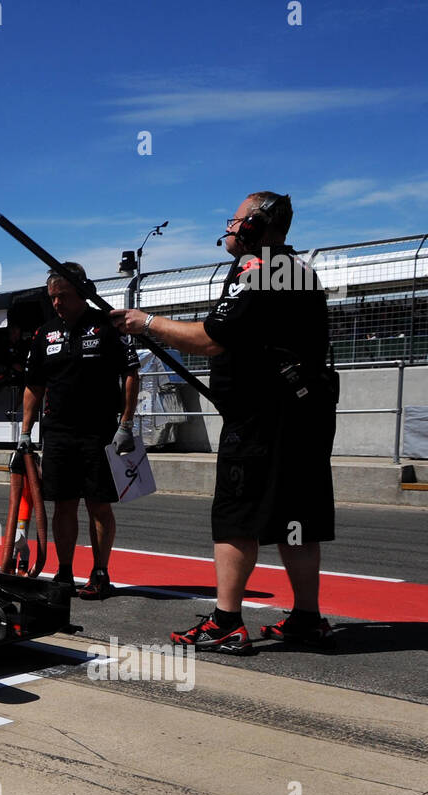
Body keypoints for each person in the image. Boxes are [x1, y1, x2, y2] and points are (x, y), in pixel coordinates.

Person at [110, 192, 337, 652]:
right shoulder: (299, 270)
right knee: (297, 520)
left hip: (261, 418)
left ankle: (226, 621)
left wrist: (145, 322)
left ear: (255, 225)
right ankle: (307, 618)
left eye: (234, 221)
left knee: (235, 518)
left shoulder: (258, 268)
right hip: (303, 415)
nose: (228, 229)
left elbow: (212, 338)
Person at [20, 263, 139, 600]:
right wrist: (25, 433)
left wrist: (126, 424)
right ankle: (65, 571)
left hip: (99, 433)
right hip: (57, 434)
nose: (57, 303)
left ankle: (100, 572)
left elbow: (131, 374)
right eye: (52, 297)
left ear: (81, 293)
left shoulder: (106, 326)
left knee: (99, 505)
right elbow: (34, 386)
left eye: (63, 296)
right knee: (63, 506)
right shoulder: (45, 334)